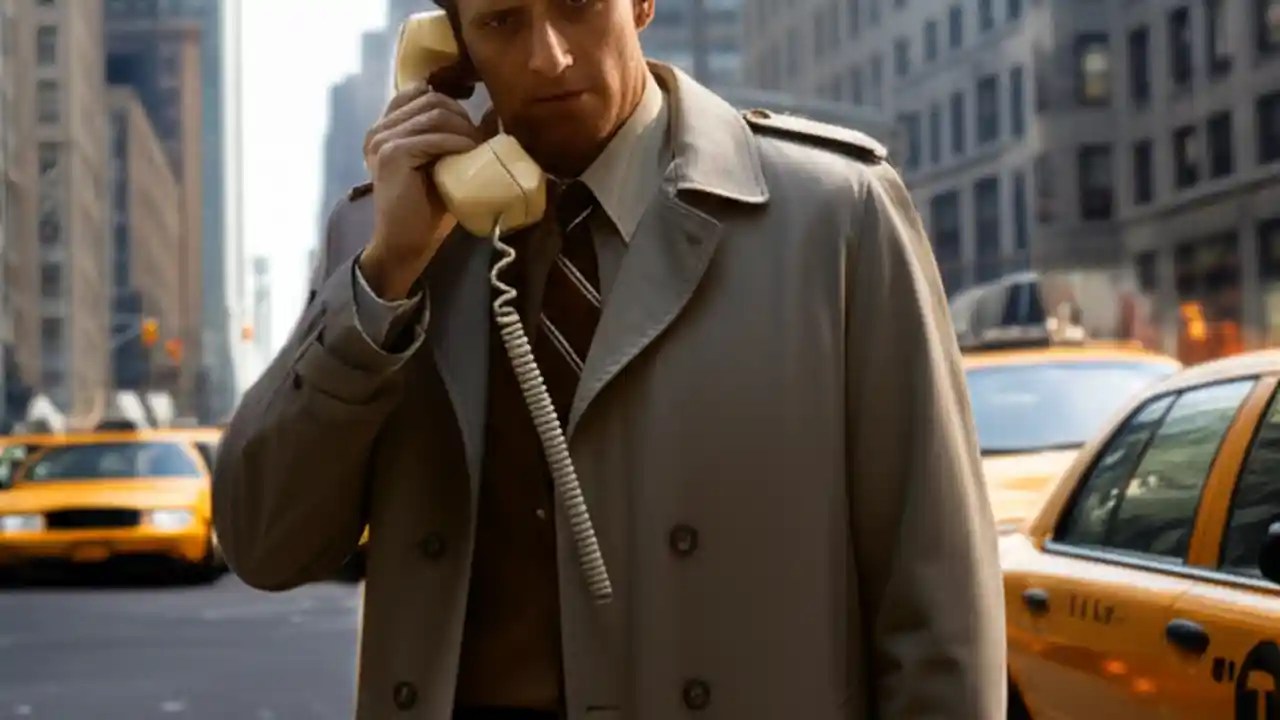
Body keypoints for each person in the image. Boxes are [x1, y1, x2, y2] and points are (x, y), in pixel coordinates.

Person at [213, 0, 1006, 718]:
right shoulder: (388, 239)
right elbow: (265, 544)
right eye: (502, 22)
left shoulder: (836, 217)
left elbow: (934, 597)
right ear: (449, 49)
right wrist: (385, 282)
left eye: (579, 7)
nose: (548, 57)